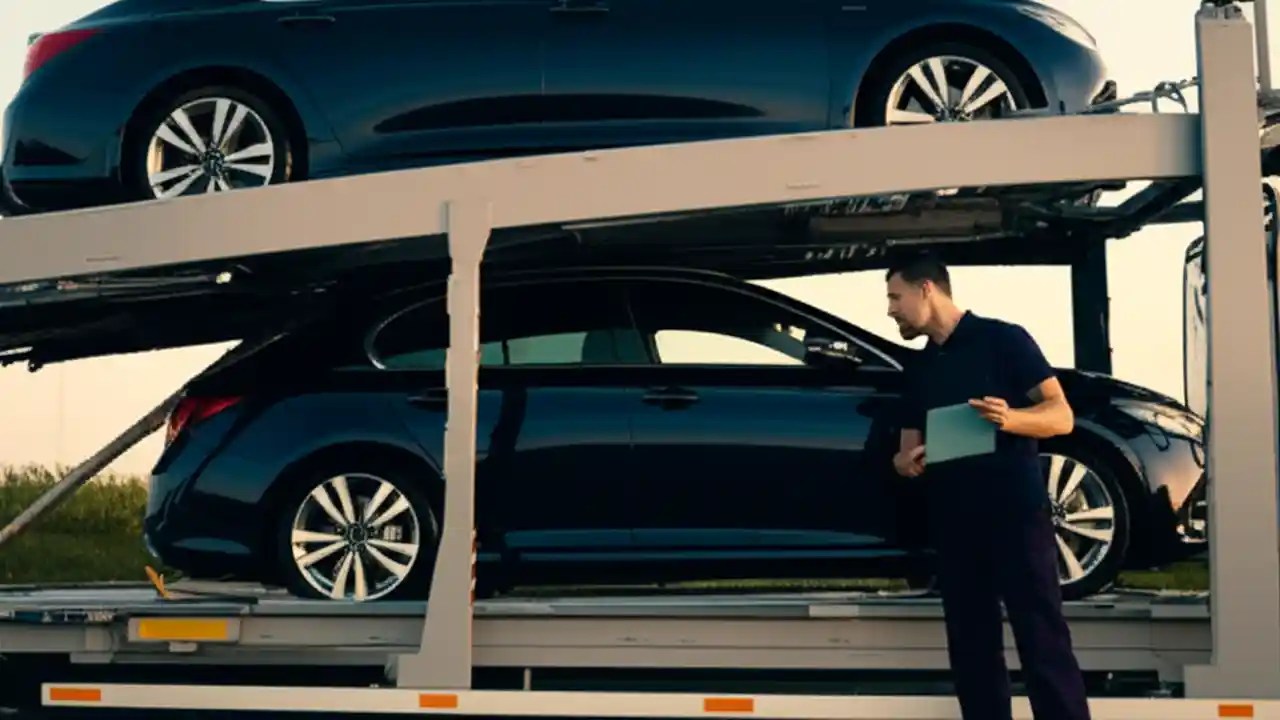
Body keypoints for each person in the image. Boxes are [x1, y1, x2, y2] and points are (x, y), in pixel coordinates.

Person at [884, 252, 1092, 720]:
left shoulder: (1004, 340)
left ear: (926, 289)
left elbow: (1061, 416)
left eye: (896, 297)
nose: (891, 309)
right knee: (971, 646)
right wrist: (905, 462)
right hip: (954, 519)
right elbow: (906, 447)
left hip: (1015, 514)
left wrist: (1010, 418)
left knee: (1041, 636)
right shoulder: (921, 368)